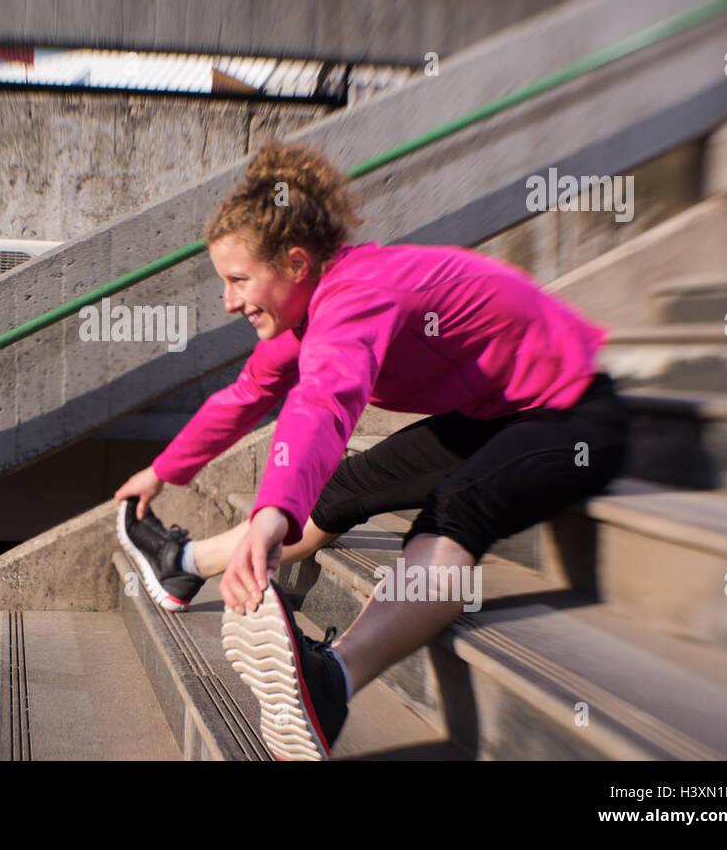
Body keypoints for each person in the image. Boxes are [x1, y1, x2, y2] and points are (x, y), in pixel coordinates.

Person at [113, 138, 630, 760]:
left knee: (455, 508)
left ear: (296, 264)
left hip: (573, 415)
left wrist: (273, 513)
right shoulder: (302, 315)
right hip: (493, 415)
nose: (228, 300)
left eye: (238, 280)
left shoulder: (361, 293)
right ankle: (184, 563)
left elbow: (325, 402)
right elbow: (245, 396)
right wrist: (161, 470)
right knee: (344, 489)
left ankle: (332, 684)